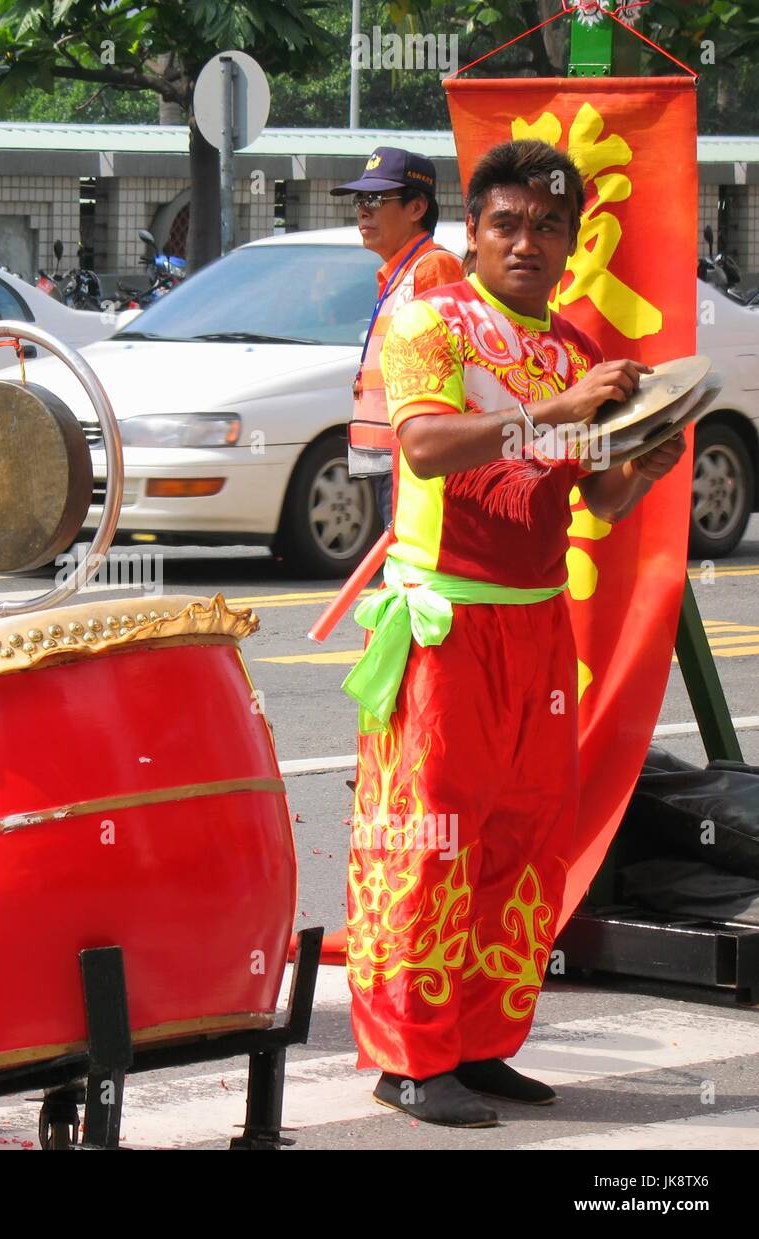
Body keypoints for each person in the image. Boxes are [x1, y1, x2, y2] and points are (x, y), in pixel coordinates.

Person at [341, 139, 685, 1128]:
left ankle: (482, 1044)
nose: (524, 242)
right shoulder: (430, 325)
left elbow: (597, 503)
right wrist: (556, 410)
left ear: (572, 243)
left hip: (536, 630)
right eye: (505, 223)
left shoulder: (575, 350)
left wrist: (643, 462)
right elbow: (420, 445)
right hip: (443, 625)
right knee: (429, 845)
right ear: (473, 231)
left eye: (545, 226)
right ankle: (409, 1059)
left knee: (523, 844)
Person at [330, 147, 462, 527]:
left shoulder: (432, 266)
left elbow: (446, 371)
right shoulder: (397, 274)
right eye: (359, 200)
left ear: (417, 207)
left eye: (374, 198)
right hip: (388, 460)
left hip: (407, 461)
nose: (362, 211)